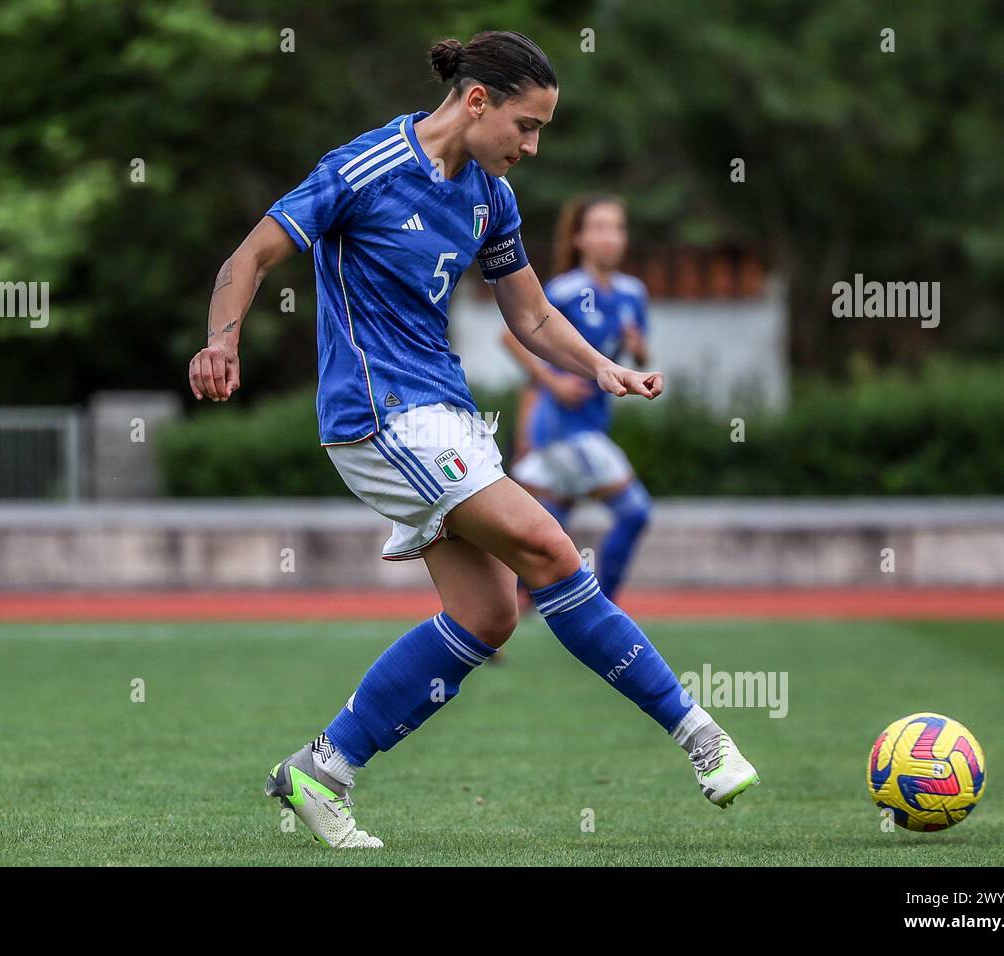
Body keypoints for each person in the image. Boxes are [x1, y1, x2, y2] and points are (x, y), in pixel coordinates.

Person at [188, 31, 759, 849]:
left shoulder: (490, 196)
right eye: (526, 126)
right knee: (553, 550)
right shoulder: (367, 168)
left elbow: (529, 315)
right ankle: (699, 734)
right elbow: (251, 254)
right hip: (380, 415)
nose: (531, 146)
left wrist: (603, 369)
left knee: (489, 615)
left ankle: (324, 769)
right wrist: (223, 341)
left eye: (542, 131)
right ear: (477, 100)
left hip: (443, 416)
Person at [502, 196, 653, 607]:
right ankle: (607, 609)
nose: (611, 237)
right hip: (563, 428)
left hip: (591, 423)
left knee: (551, 531)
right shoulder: (565, 289)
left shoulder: (631, 293)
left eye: (617, 228)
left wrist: (639, 351)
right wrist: (553, 383)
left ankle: (494, 620)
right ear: (580, 238)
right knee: (635, 511)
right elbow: (513, 336)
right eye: (600, 227)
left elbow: (638, 356)